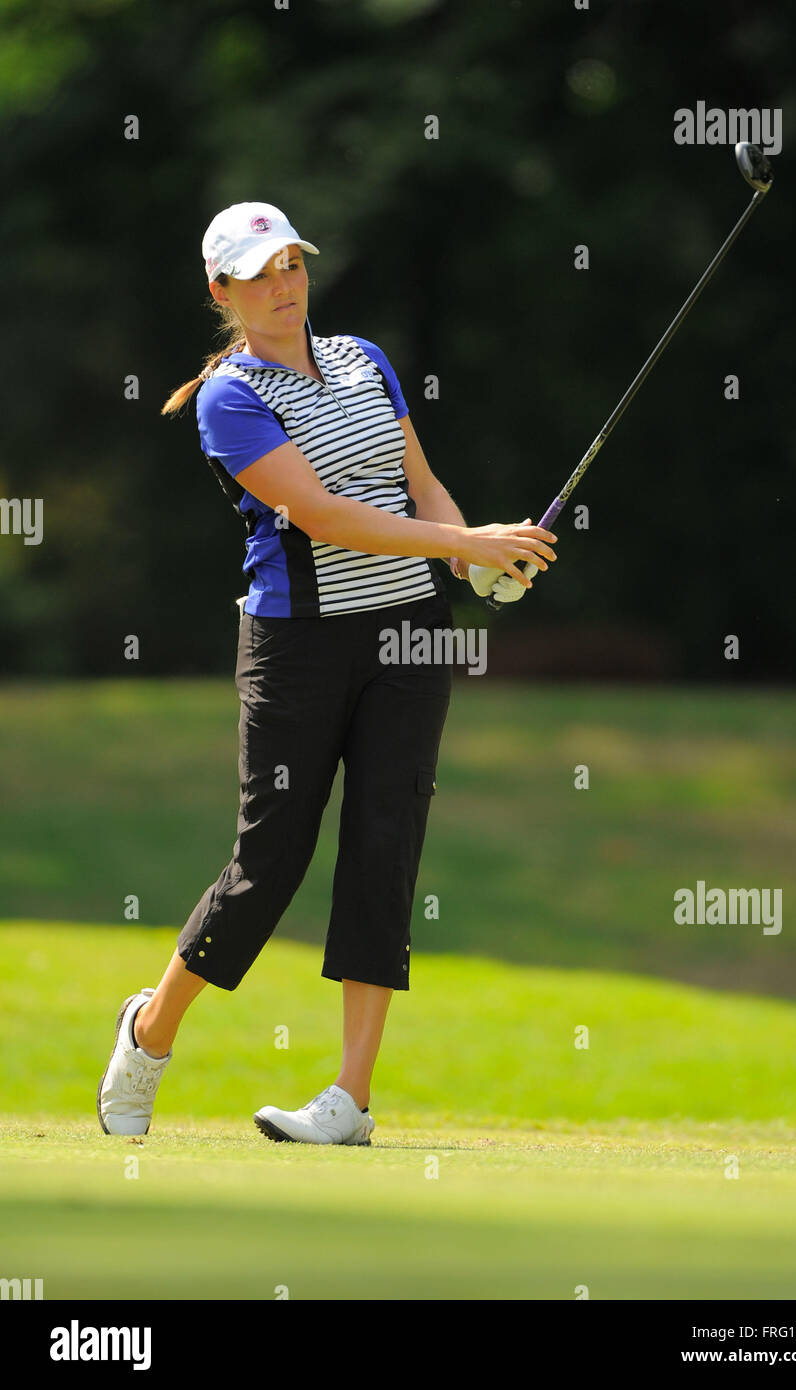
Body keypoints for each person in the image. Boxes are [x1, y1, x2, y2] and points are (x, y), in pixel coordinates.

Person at [97, 201, 557, 1145]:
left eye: (293, 264)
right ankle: (149, 1035)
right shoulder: (230, 397)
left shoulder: (363, 359)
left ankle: (350, 1099)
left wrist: (475, 560)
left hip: (408, 637)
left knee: (386, 844)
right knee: (268, 861)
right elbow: (326, 518)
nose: (284, 284)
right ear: (221, 290)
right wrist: (466, 541)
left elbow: (414, 484)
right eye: (260, 273)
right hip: (297, 647)